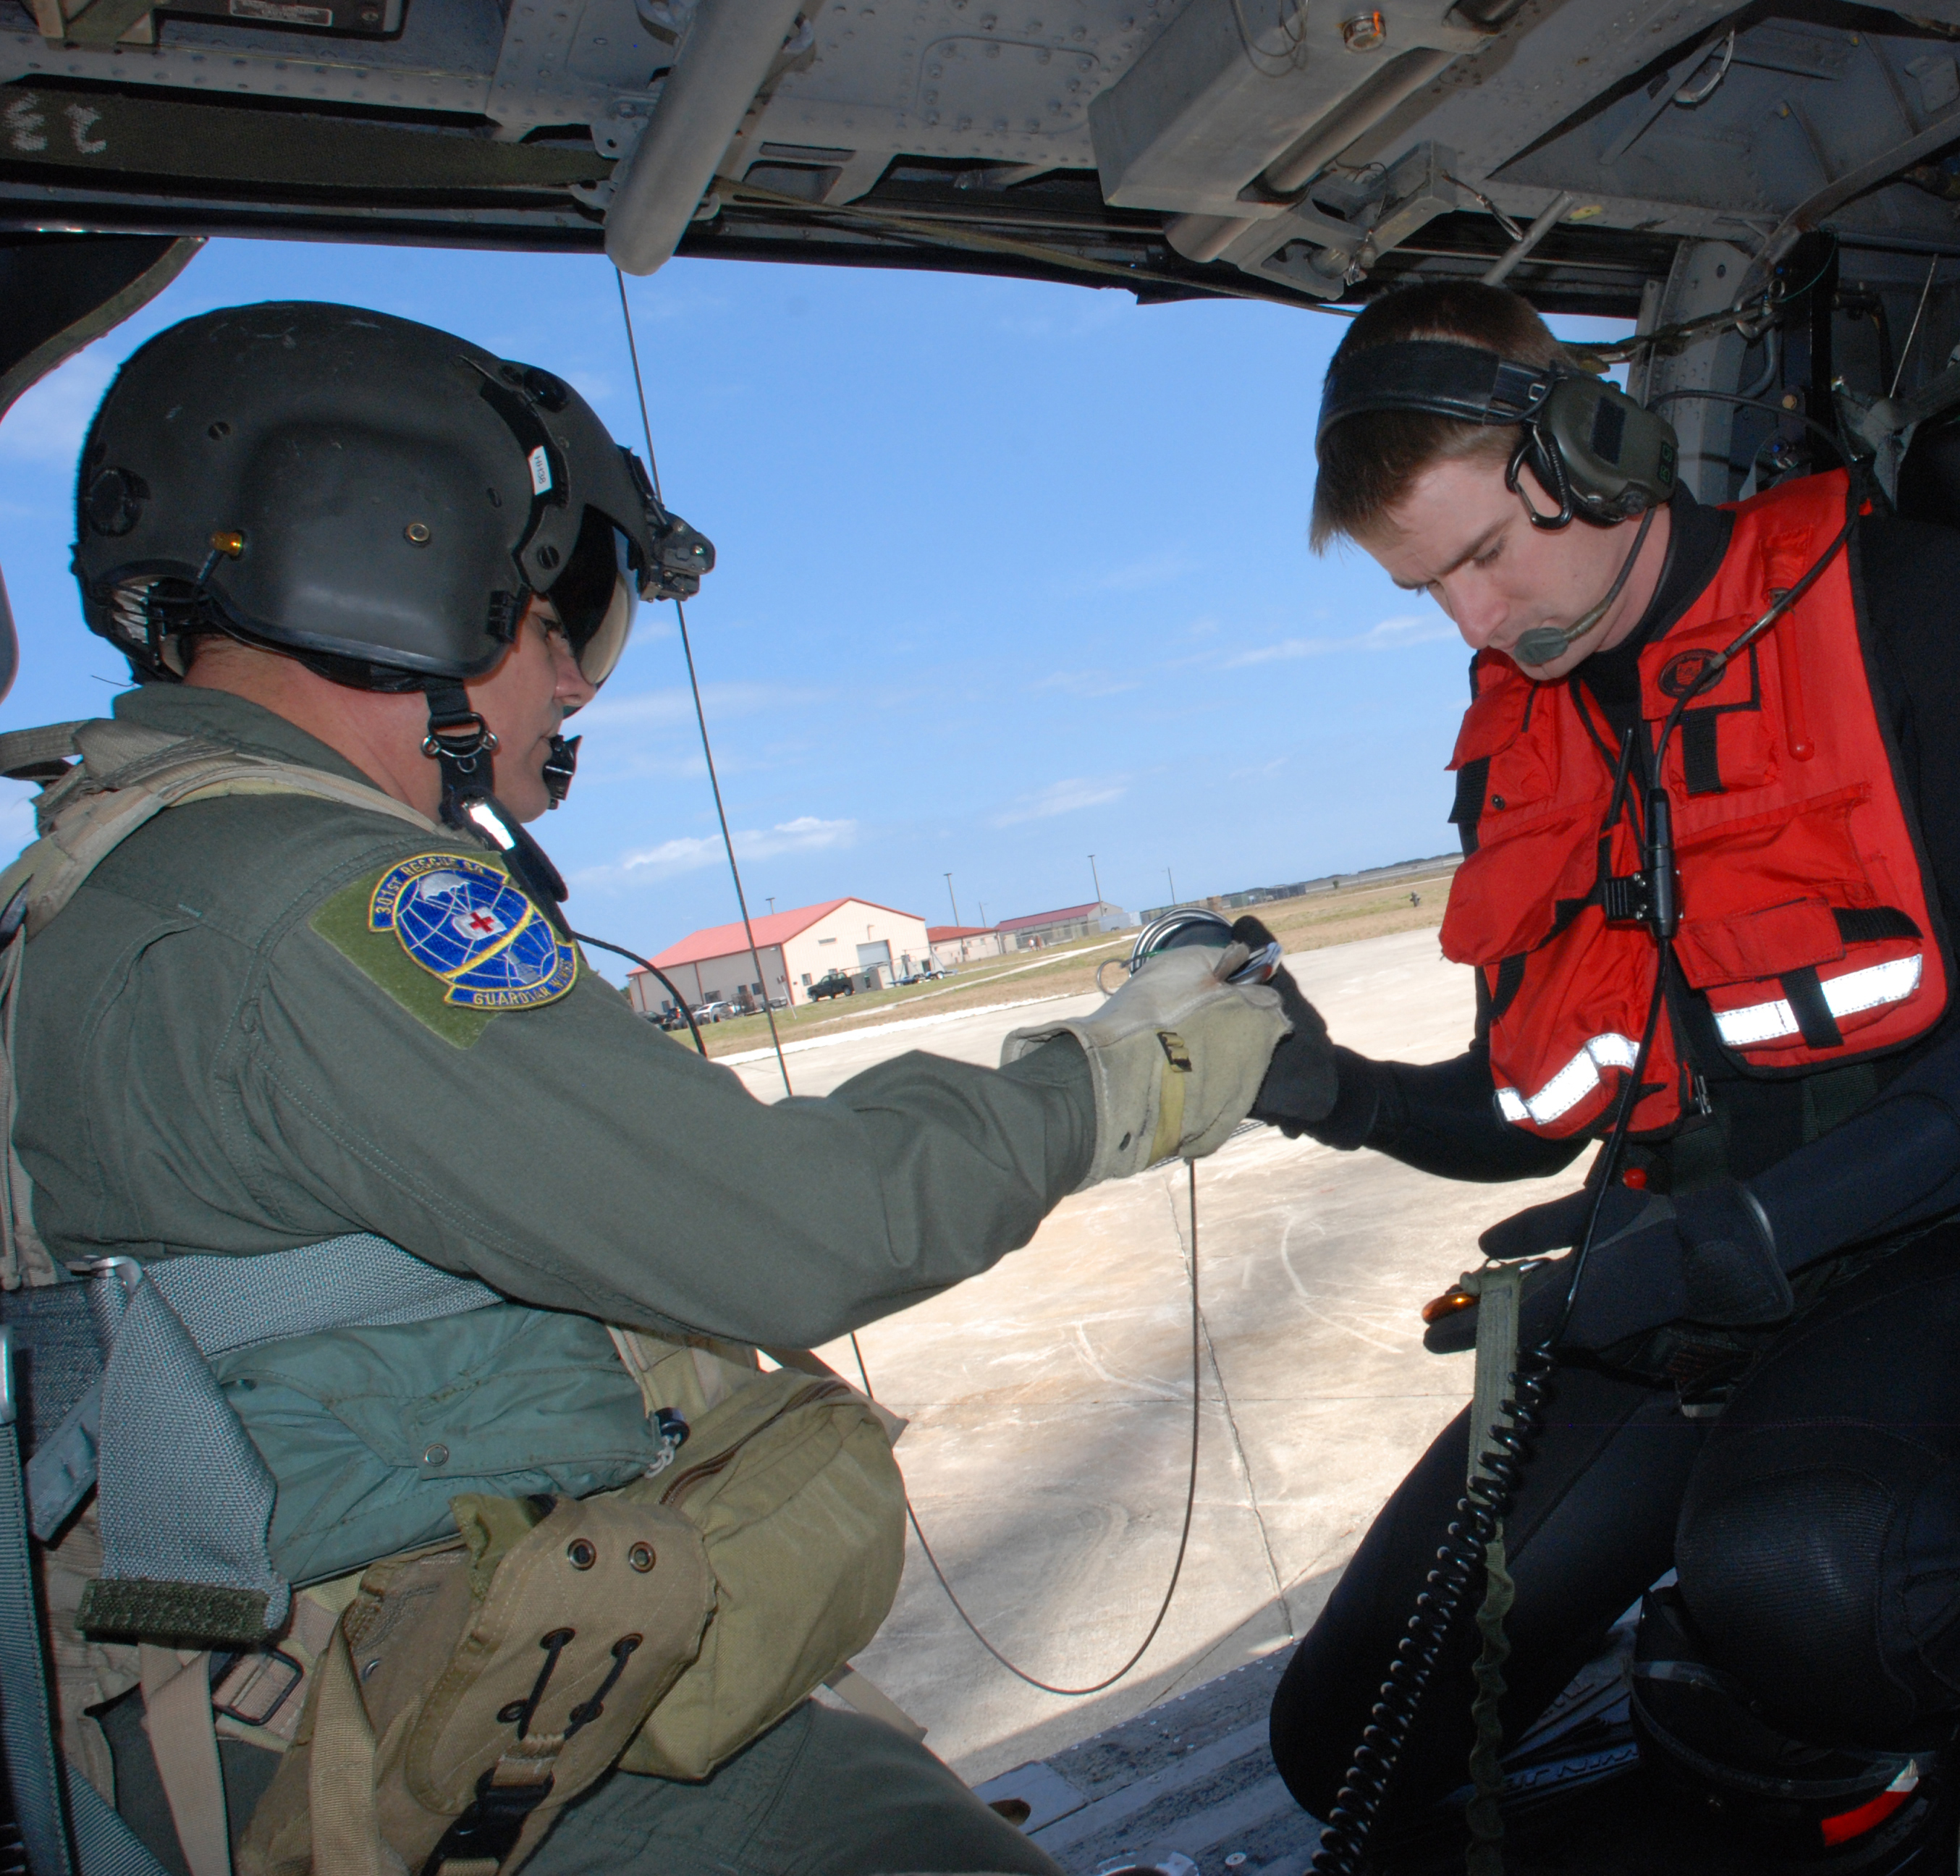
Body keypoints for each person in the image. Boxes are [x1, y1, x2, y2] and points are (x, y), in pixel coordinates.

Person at [5, 300, 1295, 1876]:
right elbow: (797, 1228)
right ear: (392, 577)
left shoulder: (115, 874)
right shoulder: (312, 900)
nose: (579, 683)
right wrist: (1125, 1076)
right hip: (407, 1750)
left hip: (264, 1705)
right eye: (558, 619)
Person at [1247, 279, 1960, 1864]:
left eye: (1486, 557)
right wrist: (1338, 1089)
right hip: (1670, 1297)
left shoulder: (1903, 603)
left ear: (1589, 446)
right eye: (1427, 592)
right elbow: (1543, 1101)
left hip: (1919, 1253)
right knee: (1342, 1735)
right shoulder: (1525, 734)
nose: (1478, 625)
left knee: (1812, 1579)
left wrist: (1750, 1238)